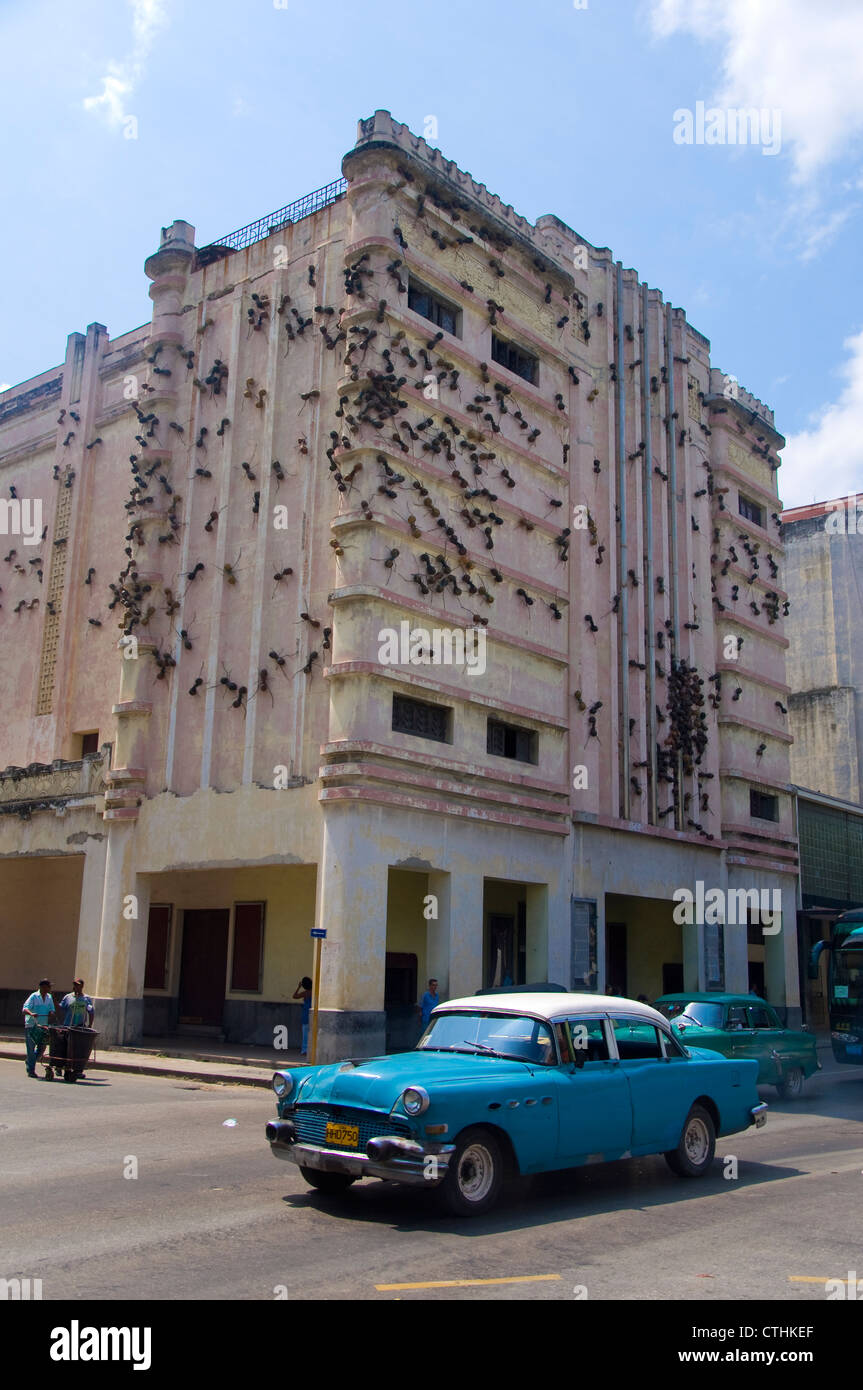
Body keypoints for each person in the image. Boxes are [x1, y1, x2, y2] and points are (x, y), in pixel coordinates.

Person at [22, 979, 56, 1078]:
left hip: (43, 1026)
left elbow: (52, 1010)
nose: (50, 989)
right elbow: (24, 1009)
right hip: (32, 1026)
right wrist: (31, 1013)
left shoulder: (49, 997)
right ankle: (31, 1070)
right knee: (31, 1048)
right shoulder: (34, 996)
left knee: (42, 1048)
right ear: (42, 987)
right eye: (48, 986)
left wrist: (51, 1013)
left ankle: (30, 1060)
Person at [293, 976, 312, 1056]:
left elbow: (294, 996)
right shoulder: (314, 992)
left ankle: (304, 1050)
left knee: (305, 1034)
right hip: (312, 1015)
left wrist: (298, 987)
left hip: (305, 1015)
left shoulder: (305, 993)